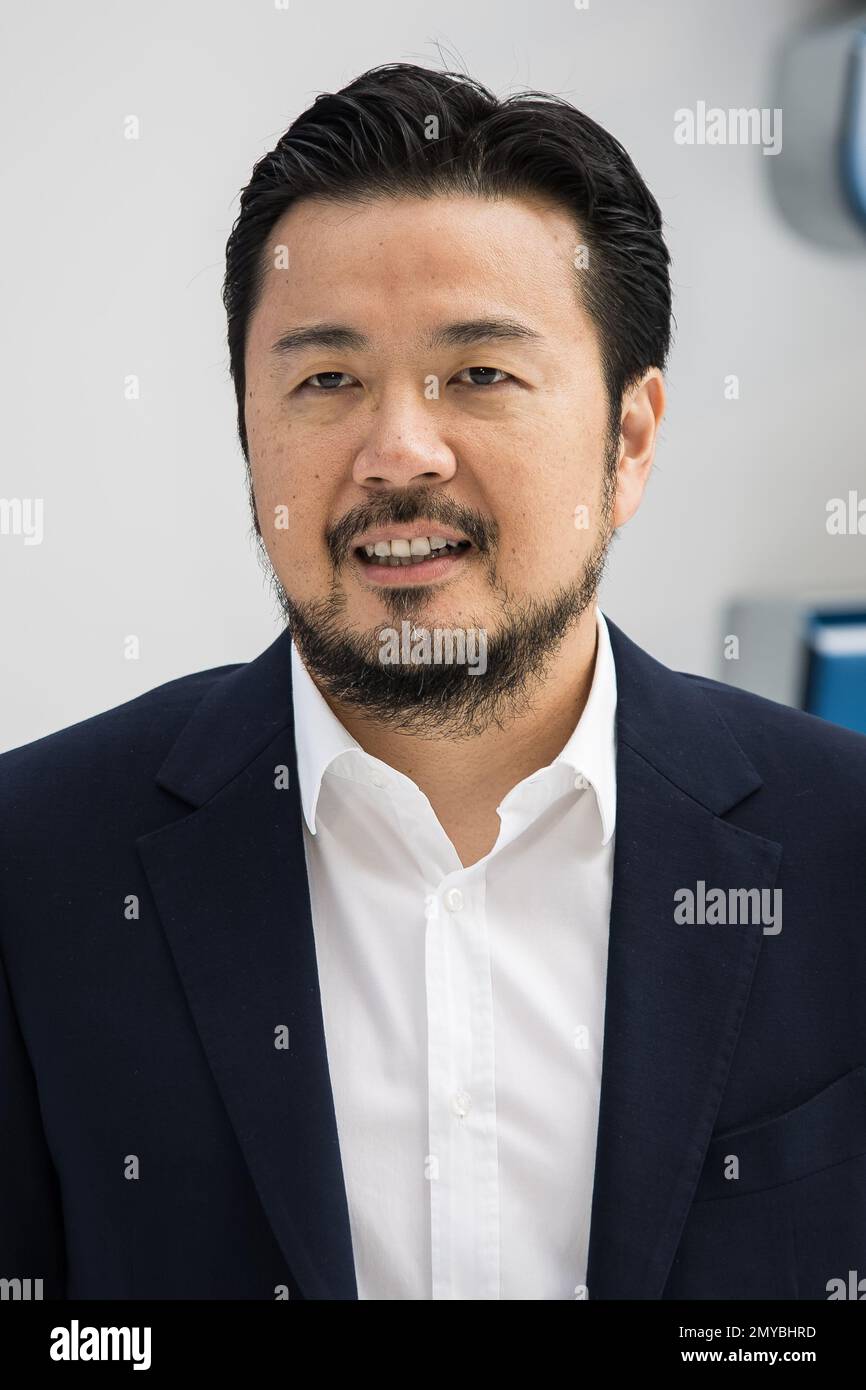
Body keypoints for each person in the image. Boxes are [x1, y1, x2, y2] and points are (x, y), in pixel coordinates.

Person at [2, 62, 865, 1302]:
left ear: (628, 439)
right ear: (249, 438)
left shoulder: (843, 844)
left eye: (480, 374)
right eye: (325, 380)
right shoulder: (34, 867)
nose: (398, 449)